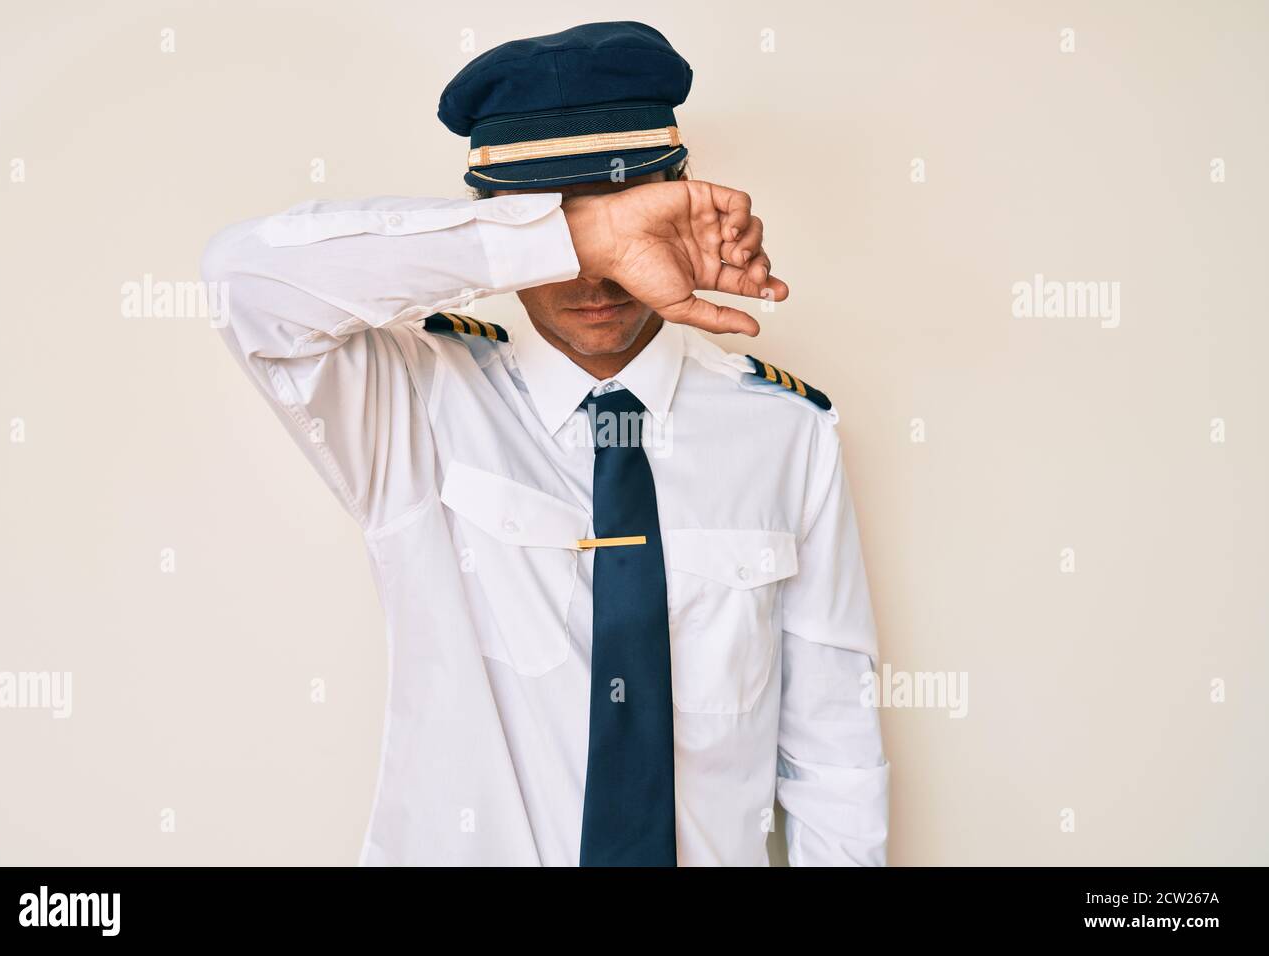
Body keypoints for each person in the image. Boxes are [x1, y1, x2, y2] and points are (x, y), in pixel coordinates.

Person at [201, 20, 888, 866]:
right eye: (560, 232)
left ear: (673, 197)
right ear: (496, 229)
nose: (595, 279)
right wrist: (582, 234)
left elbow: (833, 755)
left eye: (621, 217)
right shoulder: (411, 404)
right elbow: (243, 280)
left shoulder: (787, 431)